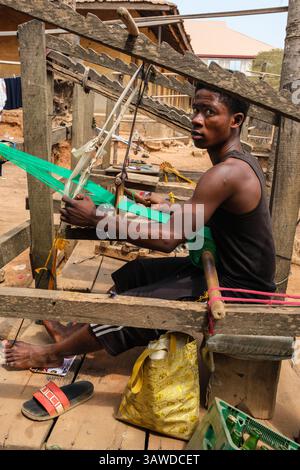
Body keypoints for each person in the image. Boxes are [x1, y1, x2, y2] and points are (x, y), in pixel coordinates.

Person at [3, 84, 276, 369]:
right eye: (196, 109)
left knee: (133, 305)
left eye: (209, 112)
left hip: (239, 288)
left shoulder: (226, 173)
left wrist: (97, 219)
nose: (196, 119)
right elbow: (201, 212)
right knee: (137, 273)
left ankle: (52, 355)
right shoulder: (237, 163)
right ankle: (72, 335)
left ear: (236, 120)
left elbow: (170, 239)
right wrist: (159, 205)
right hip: (225, 270)